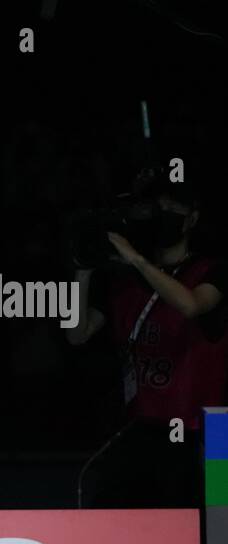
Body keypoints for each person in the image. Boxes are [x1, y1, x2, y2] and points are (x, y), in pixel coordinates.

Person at [68, 183, 226, 507]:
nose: (163, 217)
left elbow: (191, 305)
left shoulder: (213, 271)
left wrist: (137, 259)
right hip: (143, 429)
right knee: (119, 513)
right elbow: (77, 333)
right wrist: (81, 275)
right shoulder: (125, 283)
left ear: (192, 219)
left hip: (211, 432)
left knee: (216, 530)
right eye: (158, 210)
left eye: (173, 211)